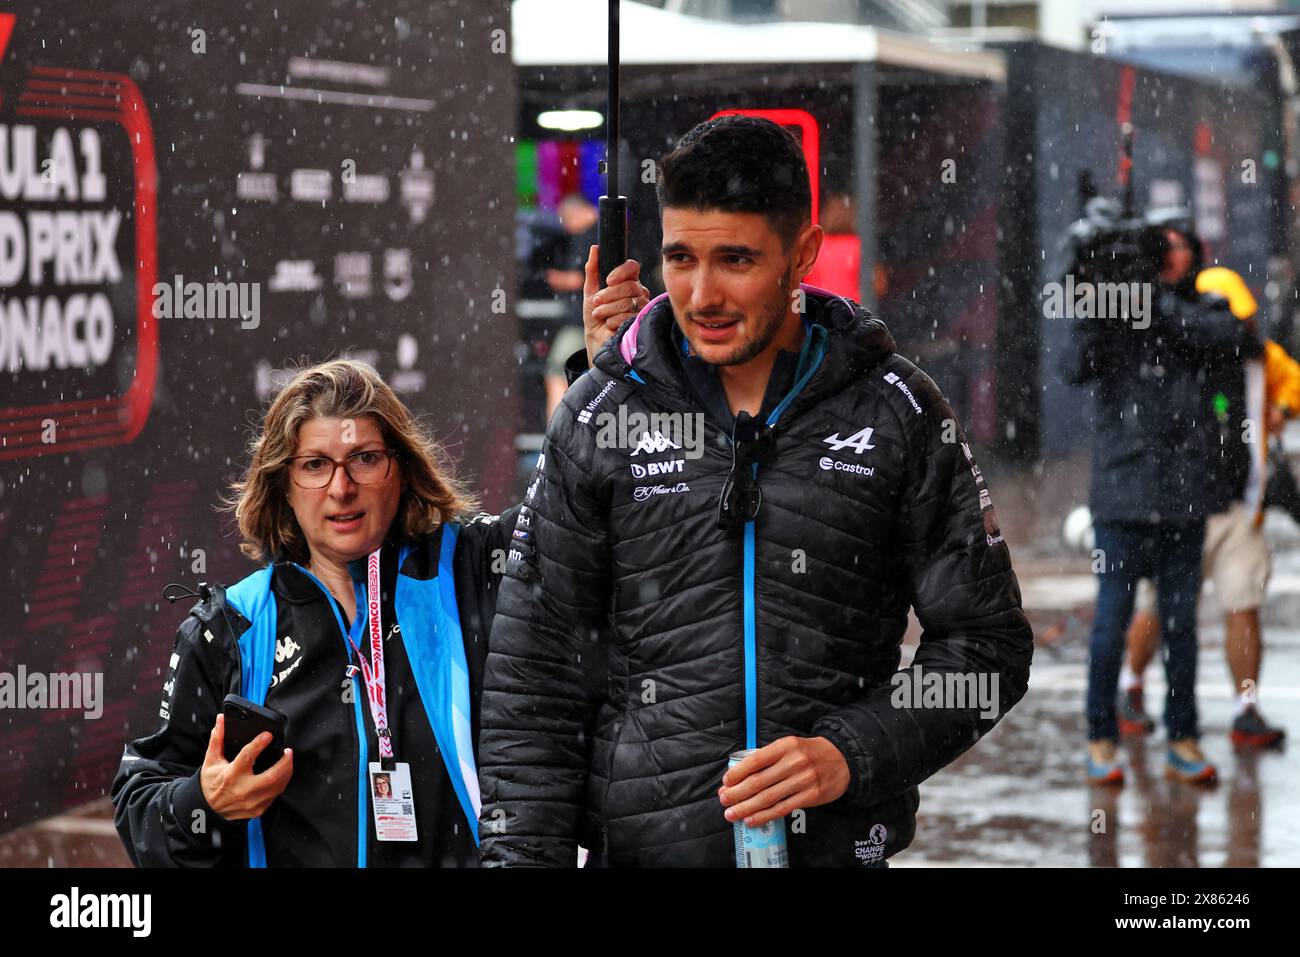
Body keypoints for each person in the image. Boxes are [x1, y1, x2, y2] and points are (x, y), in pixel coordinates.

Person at [477, 114, 1034, 867]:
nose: (702, 293)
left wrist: (848, 752)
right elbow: (533, 681)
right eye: (680, 258)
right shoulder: (601, 411)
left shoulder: (896, 408)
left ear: (801, 253)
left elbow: (988, 647)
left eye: (735, 259)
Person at [112, 359, 522, 867]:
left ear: (402, 468)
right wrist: (205, 801)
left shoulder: (470, 567)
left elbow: (575, 509)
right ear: (283, 483)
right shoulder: (233, 626)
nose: (341, 487)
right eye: (315, 465)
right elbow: (140, 806)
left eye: (365, 459)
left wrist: (603, 374)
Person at [1066, 215, 1263, 786]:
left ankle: (1183, 736)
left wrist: (1152, 300)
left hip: (1185, 496)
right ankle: (1100, 738)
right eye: (1161, 249)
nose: (1168, 258)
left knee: (1181, 624)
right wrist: (1106, 298)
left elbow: (1232, 340)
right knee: (1112, 620)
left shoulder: (1204, 309)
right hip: (1121, 499)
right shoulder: (1114, 315)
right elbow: (1074, 365)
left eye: (1176, 249)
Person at [1119, 264, 1295, 750]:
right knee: (1158, 607)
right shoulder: (1175, 353)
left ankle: (1246, 710)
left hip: (1239, 507)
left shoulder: (1260, 358)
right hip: (1181, 507)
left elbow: (1293, 381)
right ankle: (1130, 689)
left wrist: (1283, 408)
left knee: (1243, 605)